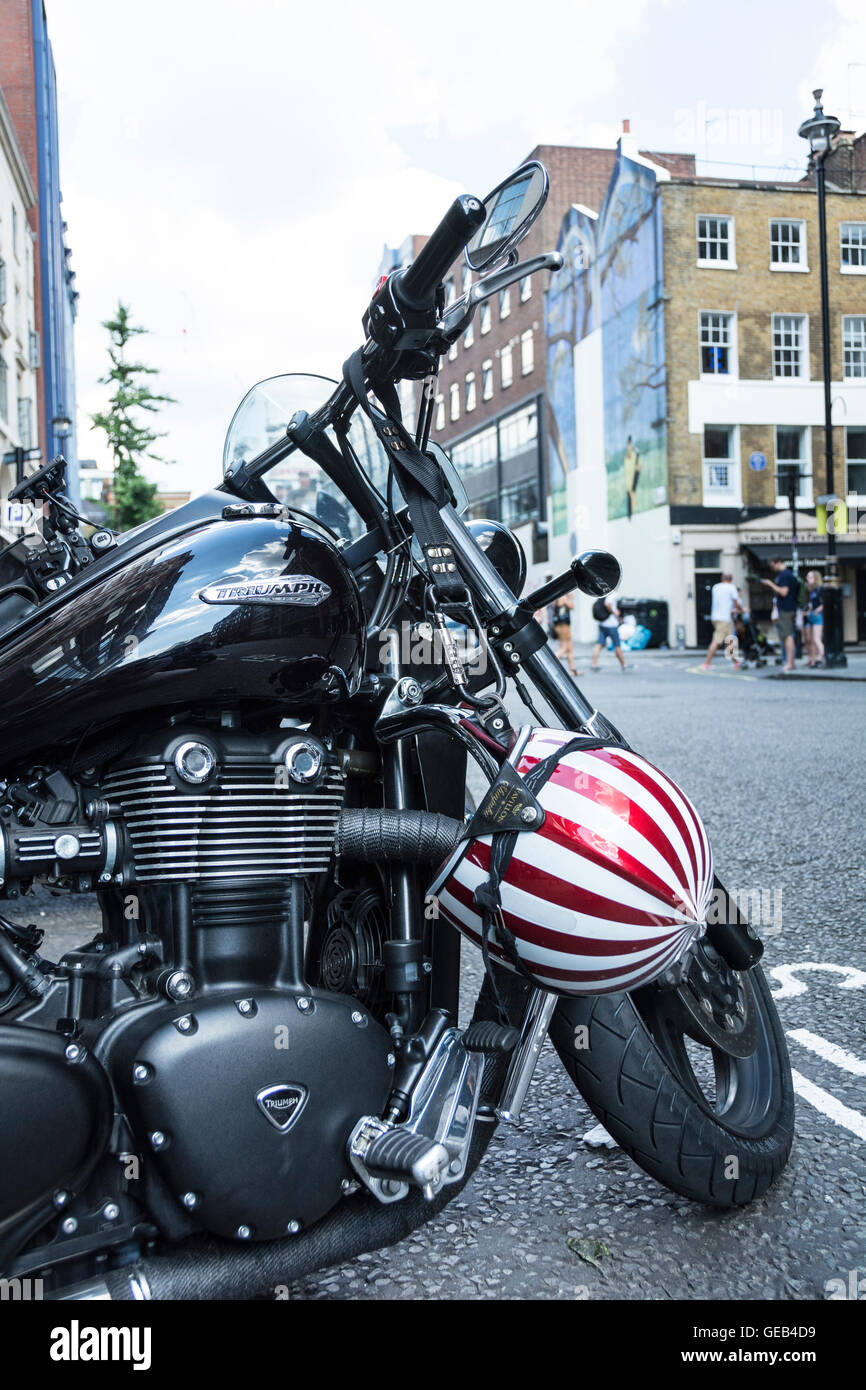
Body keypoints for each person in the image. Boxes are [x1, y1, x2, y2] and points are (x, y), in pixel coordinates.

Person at [761, 557, 797, 673]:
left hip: (786, 609)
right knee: (787, 636)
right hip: (786, 608)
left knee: (787, 636)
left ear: (778, 562)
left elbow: (783, 592)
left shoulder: (785, 575)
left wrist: (770, 584)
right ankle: (791, 662)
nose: (772, 568)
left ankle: (789, 663)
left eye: (772, 565)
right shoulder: (786, 574)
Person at [701, 572, 742, 671]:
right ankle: (706, 663)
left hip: (715, 617)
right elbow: (736, 602)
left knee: (729, 640)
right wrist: (740, 609)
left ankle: (736, 661)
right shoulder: (731, 588)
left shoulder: (716, 587)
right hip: (724, 618)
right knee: (717, 640)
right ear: (731, 579)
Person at [590, 594, 632, 671]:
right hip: (611, 624)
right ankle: (624, 664)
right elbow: (607, 603)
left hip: (602, 623)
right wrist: (614, 612)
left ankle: (594, 664)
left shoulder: (602, 593)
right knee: (617, 645)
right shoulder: (612, 593)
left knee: (599, 644)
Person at [804, 570, 824, 668]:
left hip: (817, 616)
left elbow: (824, 603)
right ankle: (814, 660)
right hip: (811, 615)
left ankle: (821, 658)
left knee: (817, 639)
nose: (808, 579)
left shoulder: (820, 589)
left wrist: (817, 610)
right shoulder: (812, 590)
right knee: (811, 639)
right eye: (807, 577)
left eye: (810, 577)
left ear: (816, 578)